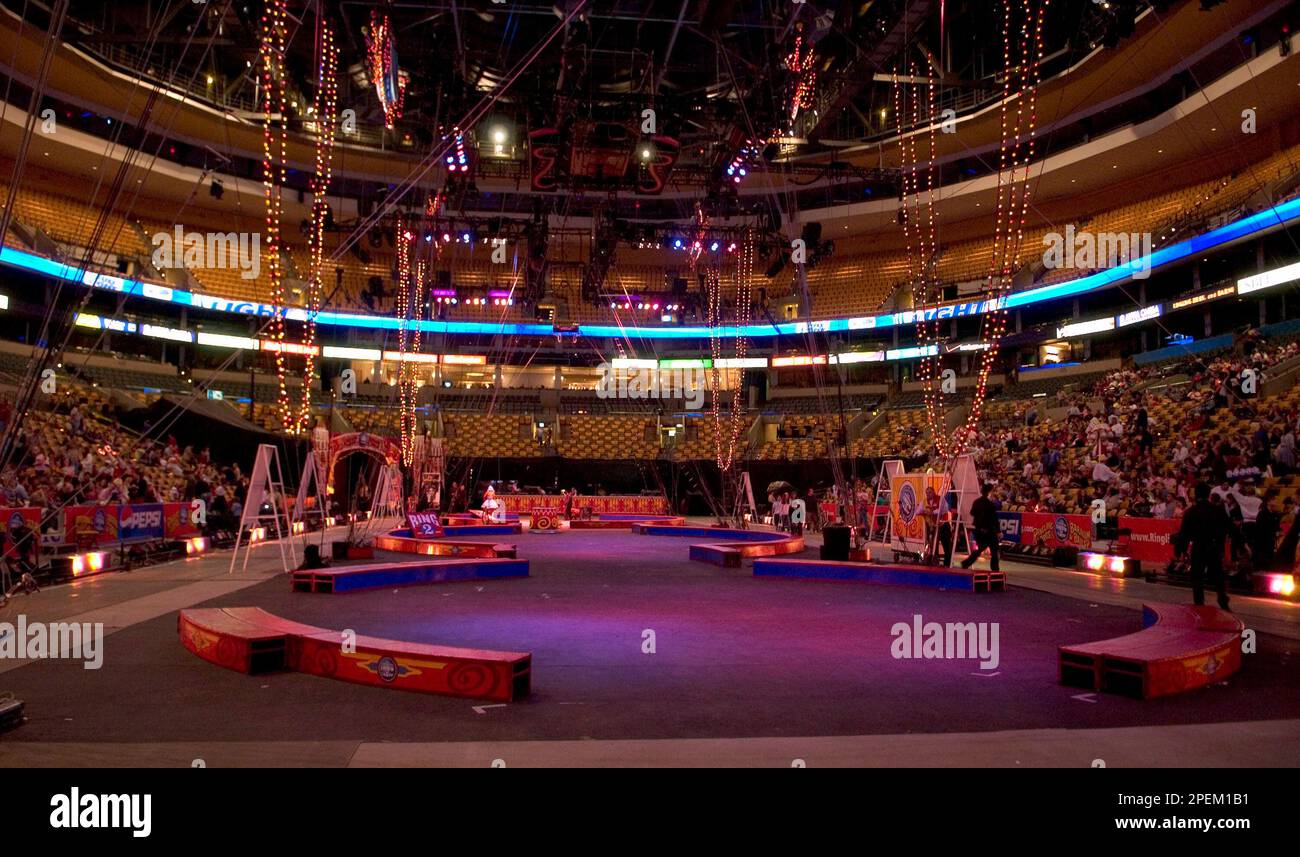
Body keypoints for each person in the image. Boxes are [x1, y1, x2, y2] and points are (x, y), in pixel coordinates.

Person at [1173, 481, 1232, 611]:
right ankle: (1222, 599)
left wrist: (1180, 550)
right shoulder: (1218, 510)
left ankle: (1199, 603)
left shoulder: (1190, 512)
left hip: (1198, 547)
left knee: (1197, 576)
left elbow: (1184, 534)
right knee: (1218, 575)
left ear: (1196, 495)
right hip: (1213, 546)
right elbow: (1229, 528)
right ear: (1209, 494)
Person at [961, 483, 1000, 572]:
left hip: (979, 530)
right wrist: (998, 531)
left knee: (980, 549)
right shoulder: (990, 504)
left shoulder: (977, 502)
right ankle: (995, 570)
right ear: (989, 492)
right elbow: (994, 519)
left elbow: (972, 513)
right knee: (994, 550)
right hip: (989, 531)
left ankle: (966, 563)